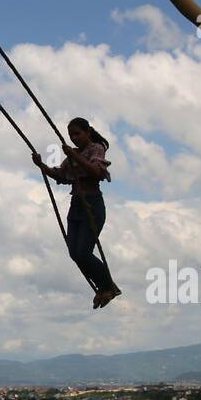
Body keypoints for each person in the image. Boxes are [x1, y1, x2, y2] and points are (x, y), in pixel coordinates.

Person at [32, 117, 122, 309]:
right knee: (75, 253)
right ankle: (104, 287)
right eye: (71, 135)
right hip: (77, 206)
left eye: (77, 133)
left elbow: (96, 172)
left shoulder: (96, 148)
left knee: (83, 252)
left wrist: (74, 156)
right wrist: (42, 166)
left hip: (92, 204)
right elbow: (60, 175)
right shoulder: (73, 155)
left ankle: (108, 286)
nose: (74, 138)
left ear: (88, 132)